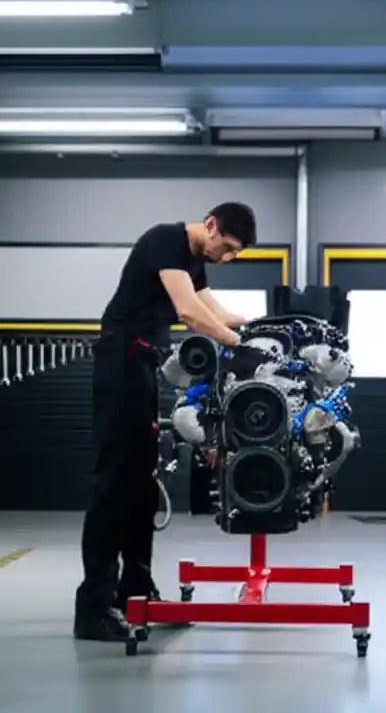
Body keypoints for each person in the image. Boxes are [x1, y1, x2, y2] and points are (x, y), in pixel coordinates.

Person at [73, 202, 256, 642]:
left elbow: (218, 313)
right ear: (209, 225)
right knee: (114, 483)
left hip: (143, 364)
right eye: (226, 248)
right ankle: (93, 608)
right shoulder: (166, 240)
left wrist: (260, 332)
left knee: (141, 486)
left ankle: (137, 594)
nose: (225, 257)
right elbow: (191, 313)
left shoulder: (195, 260)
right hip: (120, 361)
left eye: (234, 254)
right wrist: (237, 344)